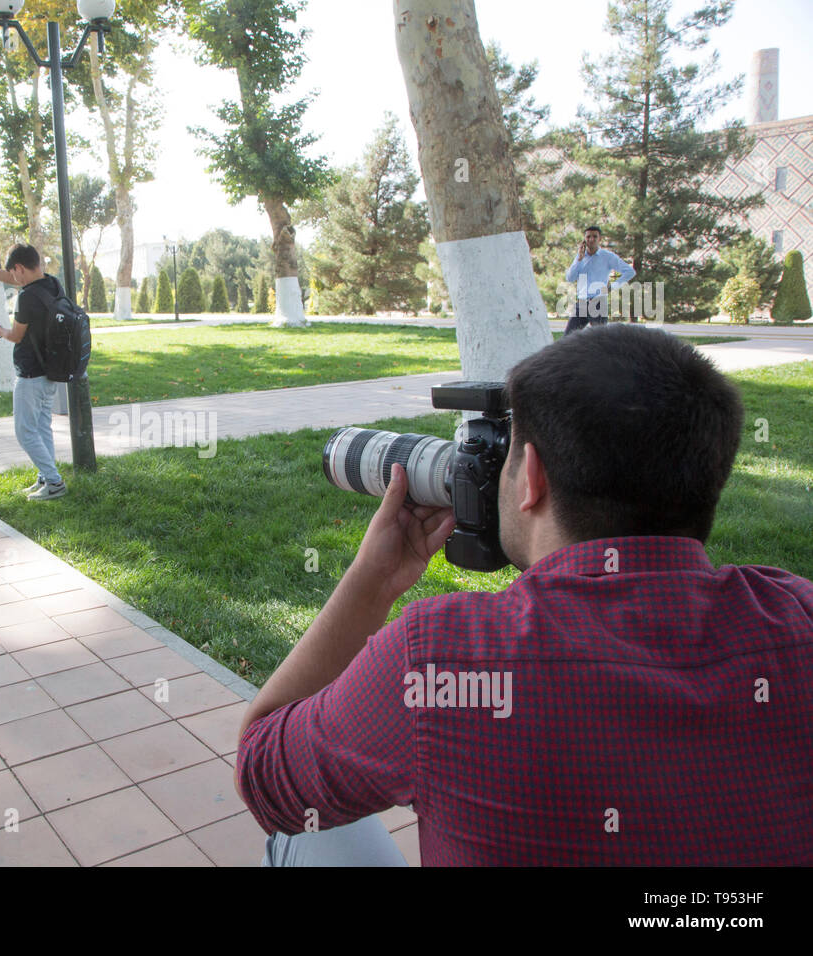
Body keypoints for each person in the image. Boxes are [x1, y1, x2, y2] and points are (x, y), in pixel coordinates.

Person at [237, 324, 813, 866]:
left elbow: (264, 775)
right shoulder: (798, 613)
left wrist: (372, 581)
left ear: (531, 476)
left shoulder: (440, 660)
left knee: (317, 831)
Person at [0, 244, 68, 501]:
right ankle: (46, 477)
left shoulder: (26, 298)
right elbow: (10, 278)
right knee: (42, 427)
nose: (13, 278)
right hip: (50, 371)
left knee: (25, 432)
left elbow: (15, 335)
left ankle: (55, 482)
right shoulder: (52, 285)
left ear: (20, 268)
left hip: (30, 374)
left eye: (14, 273)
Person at [563, 225, 635, 335]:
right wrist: (579, 259)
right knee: (567, 339)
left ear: (599, 239)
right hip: (581, 303)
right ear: (584, 239)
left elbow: (630, 272)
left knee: (600, 341)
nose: (591, 239)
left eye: (594, 237)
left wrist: (612, 287)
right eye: (588, 237)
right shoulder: (580, 257)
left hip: (598, 304)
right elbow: (570, 278)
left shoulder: (607, 256)